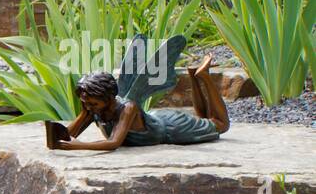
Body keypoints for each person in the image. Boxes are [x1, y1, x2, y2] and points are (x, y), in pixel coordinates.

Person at [46, 57, 229, 151]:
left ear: (109, 97)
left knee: (219, 124)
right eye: (85, 103)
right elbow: (69, 135)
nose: (88, 107)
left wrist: (78, 147)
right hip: (158, 119)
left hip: (171, 128)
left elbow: (113, 143)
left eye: (92, 103)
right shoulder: (94, 109)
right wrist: (58, 134)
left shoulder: (127, 108)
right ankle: (193, 76)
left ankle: (204, 77)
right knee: (205, 119)